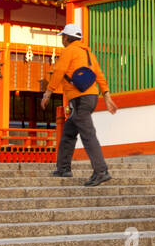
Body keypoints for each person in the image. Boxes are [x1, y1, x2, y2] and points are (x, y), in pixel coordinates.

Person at [42, 23, 117, 186]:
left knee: (88, 134)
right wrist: (106, 95)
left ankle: (101, 171)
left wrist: (48, 92)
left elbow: (59, 71)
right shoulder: (88, 52)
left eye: (63, 36)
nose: (62, 39)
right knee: (69, 131)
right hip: (91, 97)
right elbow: (99, 75)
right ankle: (63, 168)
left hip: (80, 98)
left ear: (67, 37)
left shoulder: (69, 51)